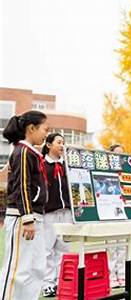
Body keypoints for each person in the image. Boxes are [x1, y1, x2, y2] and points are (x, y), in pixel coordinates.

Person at [0, 110, 49, 300]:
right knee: (17, 270)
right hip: (23, 218)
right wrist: (27, 217)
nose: (46, 134)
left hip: (35, 217)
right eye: (45, 129)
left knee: (36, 267)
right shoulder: (22, 151)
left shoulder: (32, 153)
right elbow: (22, 186)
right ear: (31, 128)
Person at [41, 133, 72, 297]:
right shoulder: (41, 165)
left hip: (66, 213)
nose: (62, 145)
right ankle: (47, 284)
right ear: (48, 145)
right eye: (59, 142)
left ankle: (62, 283)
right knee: (47, 250)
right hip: (49, 214)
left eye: (63, 142)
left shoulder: (67, 166)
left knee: (64, 249)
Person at [107, 144, 127, 288]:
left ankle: (121, 275)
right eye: (117, 154)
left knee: (123, 247)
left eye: (122, 154)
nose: (120, 157)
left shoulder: (128, 174)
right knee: (112, 247)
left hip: (123, 215)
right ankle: (111, 275)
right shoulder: (105, 173)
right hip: (109, 215)